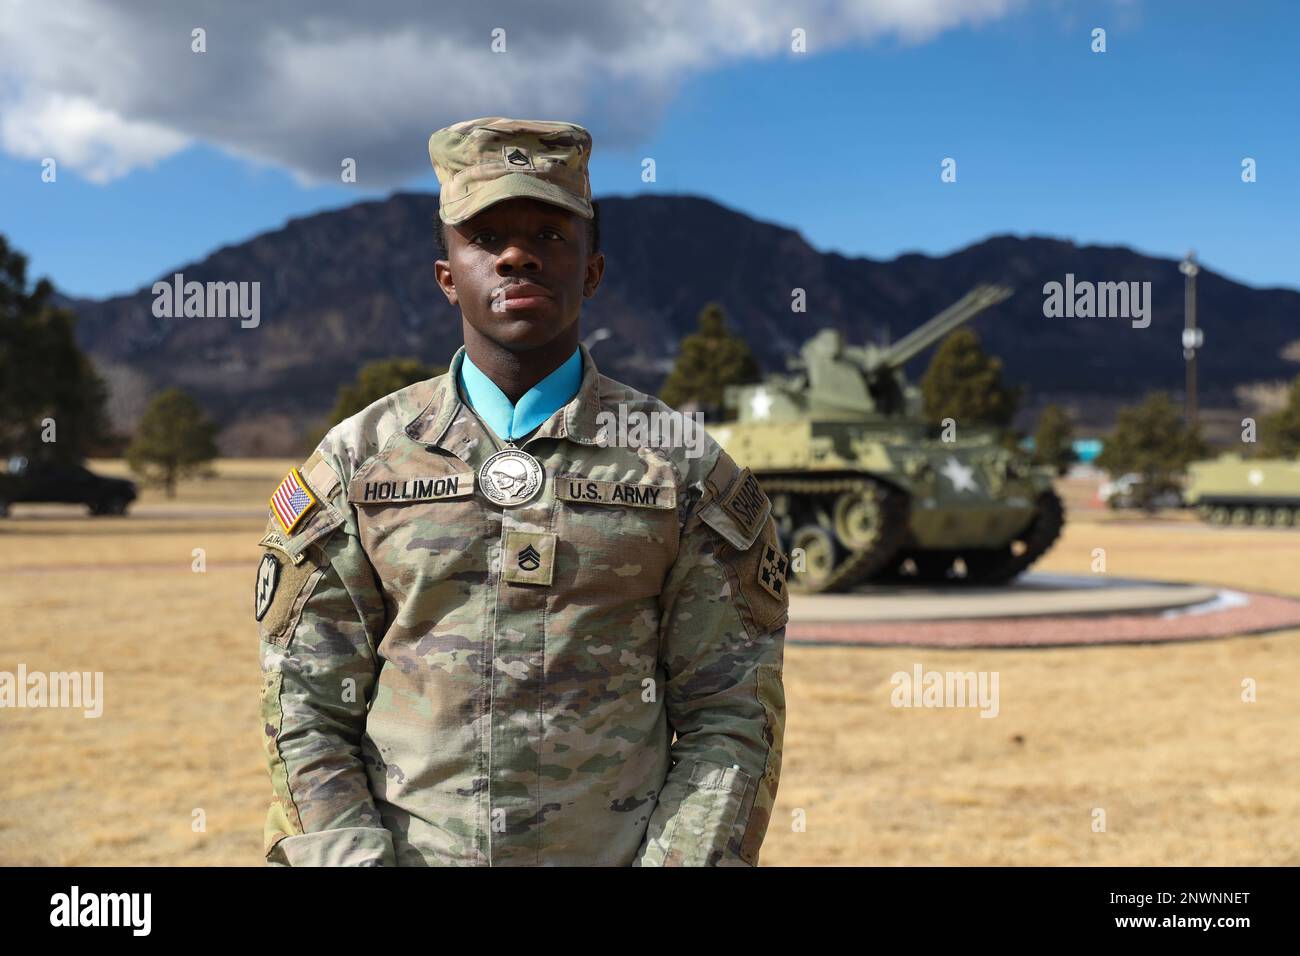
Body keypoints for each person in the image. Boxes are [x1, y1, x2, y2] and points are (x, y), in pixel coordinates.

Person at [254, 117, 788, 866]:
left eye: (551, 234)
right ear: (447, 278)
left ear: (593, 272)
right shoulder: (358, 463)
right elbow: (306, 709)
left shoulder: (684, 469)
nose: (517, 254)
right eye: (486, 236)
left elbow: (730, 715)